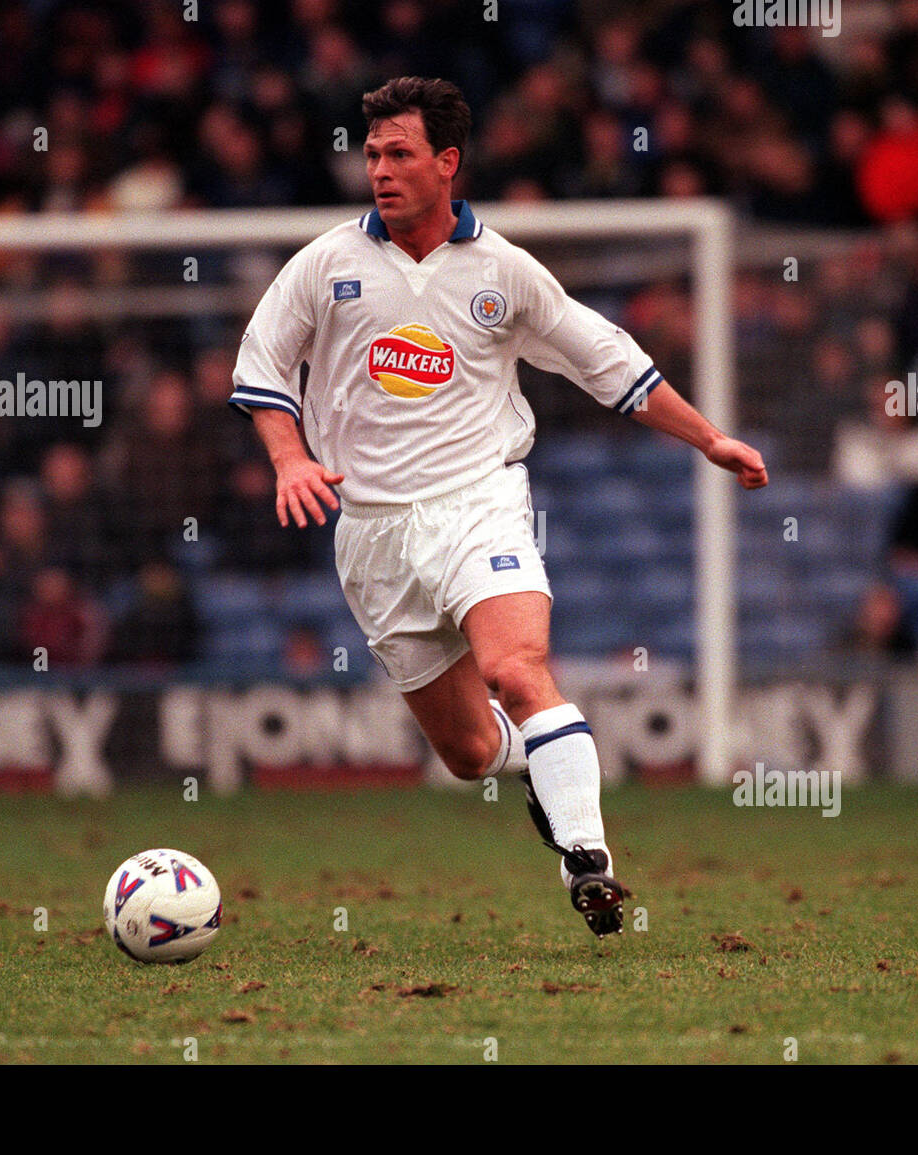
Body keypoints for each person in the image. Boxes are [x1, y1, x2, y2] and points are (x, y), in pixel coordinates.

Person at [229, 77, 768, 937]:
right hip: (370, 533)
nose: (380, 170)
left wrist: (710, 441)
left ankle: (588, 859)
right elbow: (260, 370)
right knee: (470, 752)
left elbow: (609, 362)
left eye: (399, 153)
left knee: (518, 671)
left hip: (477, 504)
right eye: (372, 155)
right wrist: (291, 458)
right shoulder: (325, 264)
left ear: (448, 162)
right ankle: (538, 771)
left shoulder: (504, 273)